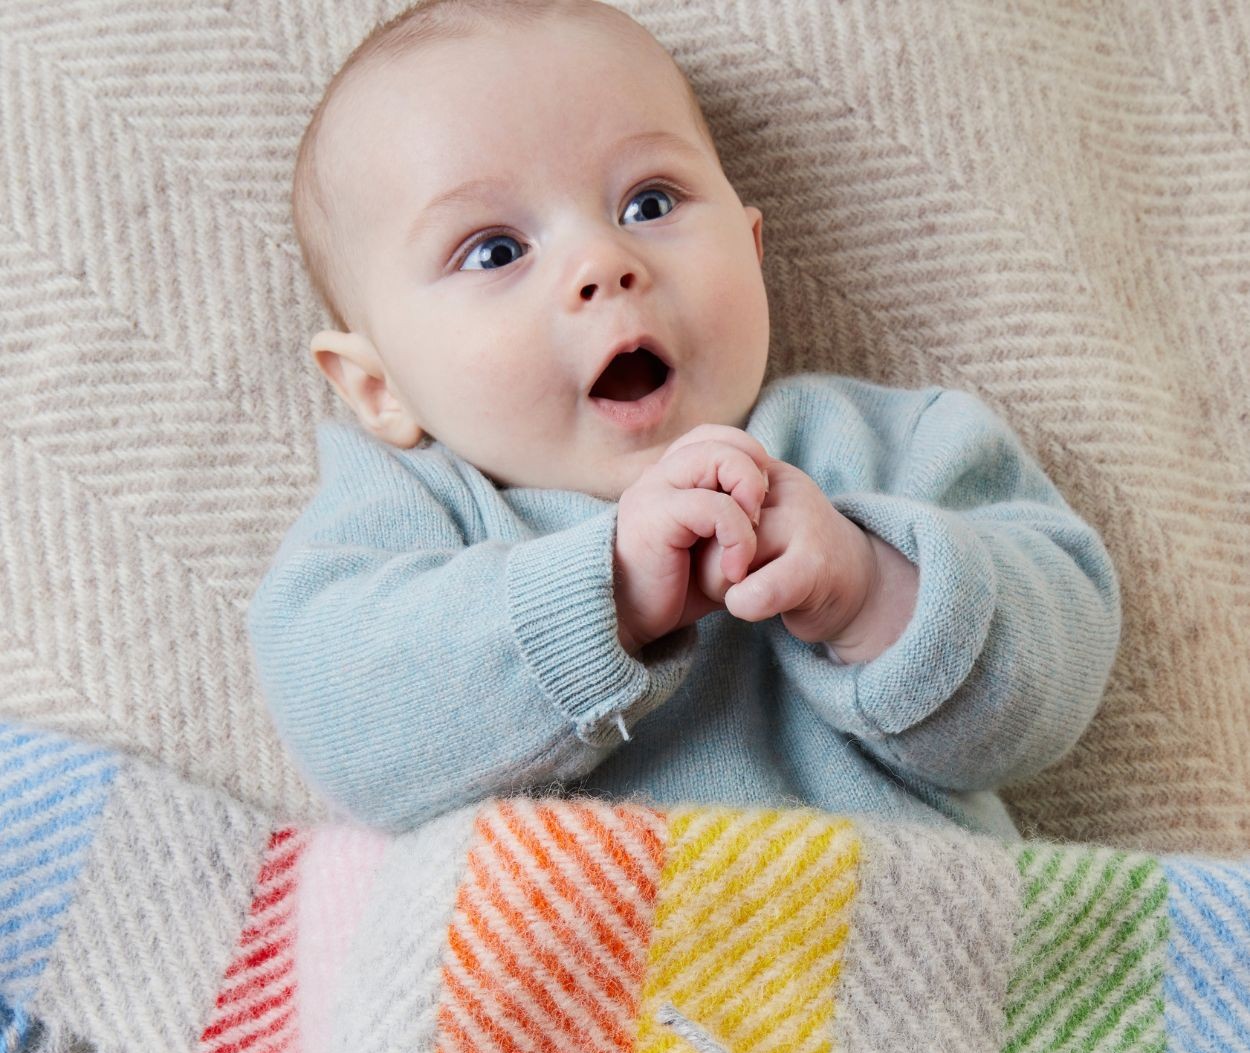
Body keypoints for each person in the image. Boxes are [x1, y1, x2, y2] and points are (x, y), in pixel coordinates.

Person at [246, 0, 1121, 839]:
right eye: (496, 251)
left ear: (752, 247)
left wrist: (873, 587)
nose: (604, 262)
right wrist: (609, 594)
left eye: (649, 204)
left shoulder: (882, 447)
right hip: (576, 972)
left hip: (888, 945)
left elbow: (1062, 665)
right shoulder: (412, 511)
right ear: (378, 388)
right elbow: (345, 716)